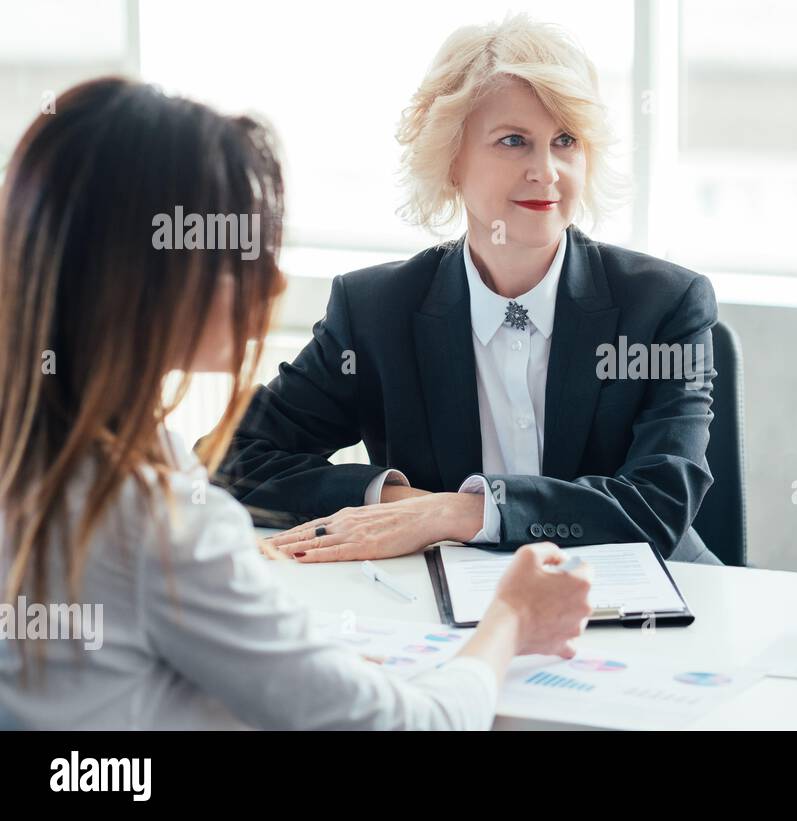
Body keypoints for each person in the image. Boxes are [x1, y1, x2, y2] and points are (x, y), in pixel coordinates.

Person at [0, 77, 592, 730]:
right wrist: (511, 619)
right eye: (245, 249)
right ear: (149, 274)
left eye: (565, 140)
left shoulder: (78, 465)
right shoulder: (154, 527)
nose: (274, 279)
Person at [219, 14, 722, 565]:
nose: (546, 171)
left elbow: (659, 504)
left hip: (648, 596)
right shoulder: (375, 312)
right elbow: (232, 458)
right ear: (451, 159)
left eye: (565, 141)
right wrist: (396, 502)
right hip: (448, 599)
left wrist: (457, 512)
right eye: (514, 141)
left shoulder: (665, 305)